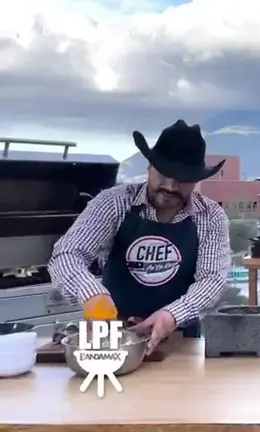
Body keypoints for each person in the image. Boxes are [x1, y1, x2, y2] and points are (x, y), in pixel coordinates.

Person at [49, 120, 230, 353]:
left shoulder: (211, 216)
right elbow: (66, 254)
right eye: (164, 173)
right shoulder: (114, 202)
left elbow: (211, 280)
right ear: (149, 167)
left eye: (183, 178)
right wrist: (93, 296)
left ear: (196, 180)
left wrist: (171, 315)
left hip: (180, 343)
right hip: (112, 338)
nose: (171, 186)